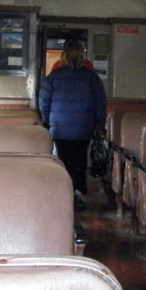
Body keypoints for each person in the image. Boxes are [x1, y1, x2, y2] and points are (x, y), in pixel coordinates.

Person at [38, 39, 106, 210]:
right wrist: (99, 126)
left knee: (63, 159)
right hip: (84, 126)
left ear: (64, 55)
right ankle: (77, 192)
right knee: (80, 160)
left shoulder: (54, 77)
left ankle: (64, 193)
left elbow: (43, 102)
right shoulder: (91, 77)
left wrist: (47, 120)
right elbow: (100, 104)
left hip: (59, 126)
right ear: (82, 55)